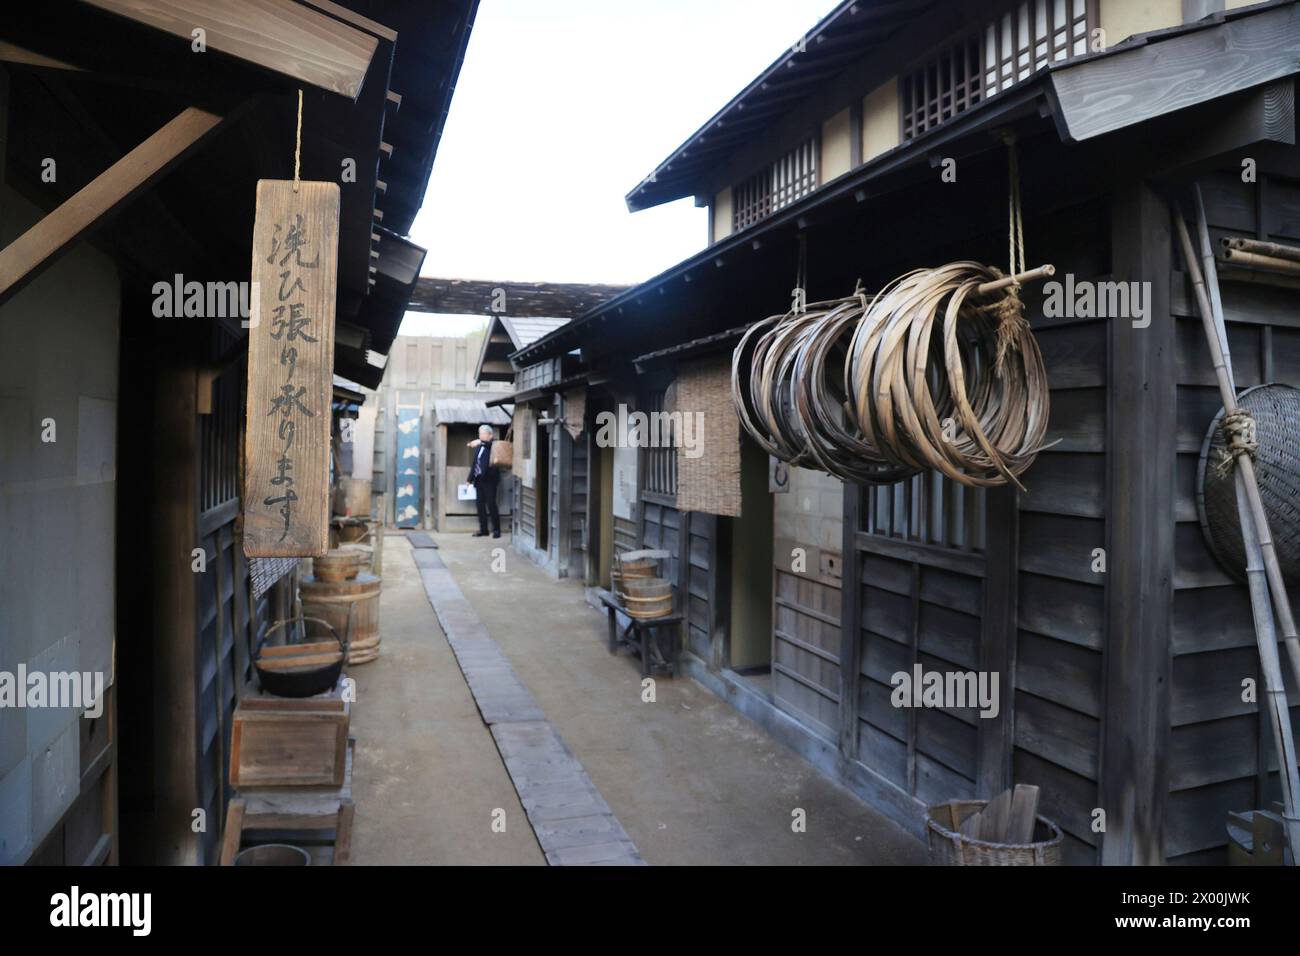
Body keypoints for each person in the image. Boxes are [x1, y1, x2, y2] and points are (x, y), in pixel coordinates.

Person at [468, 424, 501, 538]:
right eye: (479, 434)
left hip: (490, 480)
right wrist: (469, 479)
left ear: (490, 435)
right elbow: (475, 464)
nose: (481, 436)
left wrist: (480, 442)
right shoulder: (479, 446)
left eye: (483, 434)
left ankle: (497, 530)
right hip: (479, 480)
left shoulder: (493, 444)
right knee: (480, 505)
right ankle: (484, 530)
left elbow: (490, 445)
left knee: (491, 505)